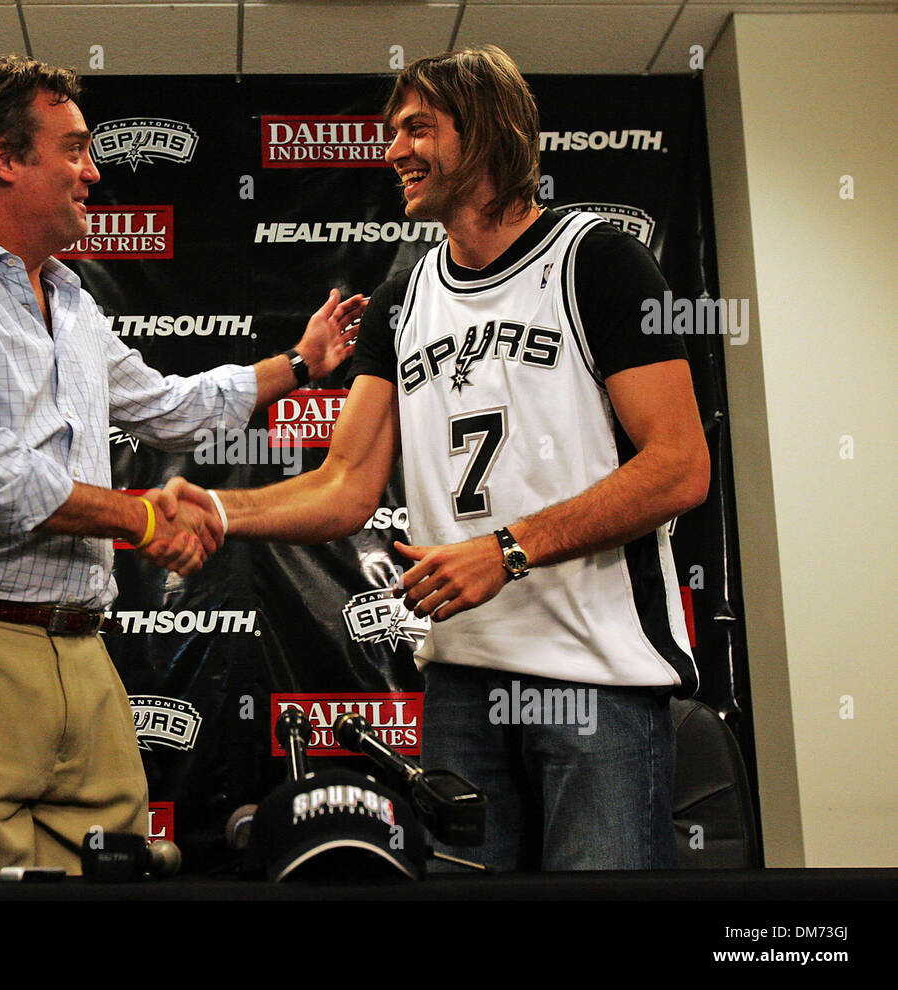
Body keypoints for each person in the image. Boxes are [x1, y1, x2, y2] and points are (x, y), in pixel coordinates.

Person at [182, 46, 710, 870]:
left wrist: (510, 550)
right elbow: (346, 484)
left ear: (491, 132)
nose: (393, 151)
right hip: (464, 685)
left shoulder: (595, 260)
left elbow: (679, 465)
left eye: (419, 128)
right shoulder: (402, 299)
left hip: (600, 682)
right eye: (392, 131)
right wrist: (218, 509)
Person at [0, 55, 363, 876]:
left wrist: (297, 363)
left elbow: (172, 407)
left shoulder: (75, 303)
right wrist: (142, 518)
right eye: (75, 150)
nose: (94, 171)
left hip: (81, 656)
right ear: (5, 159)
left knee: (111, 875)